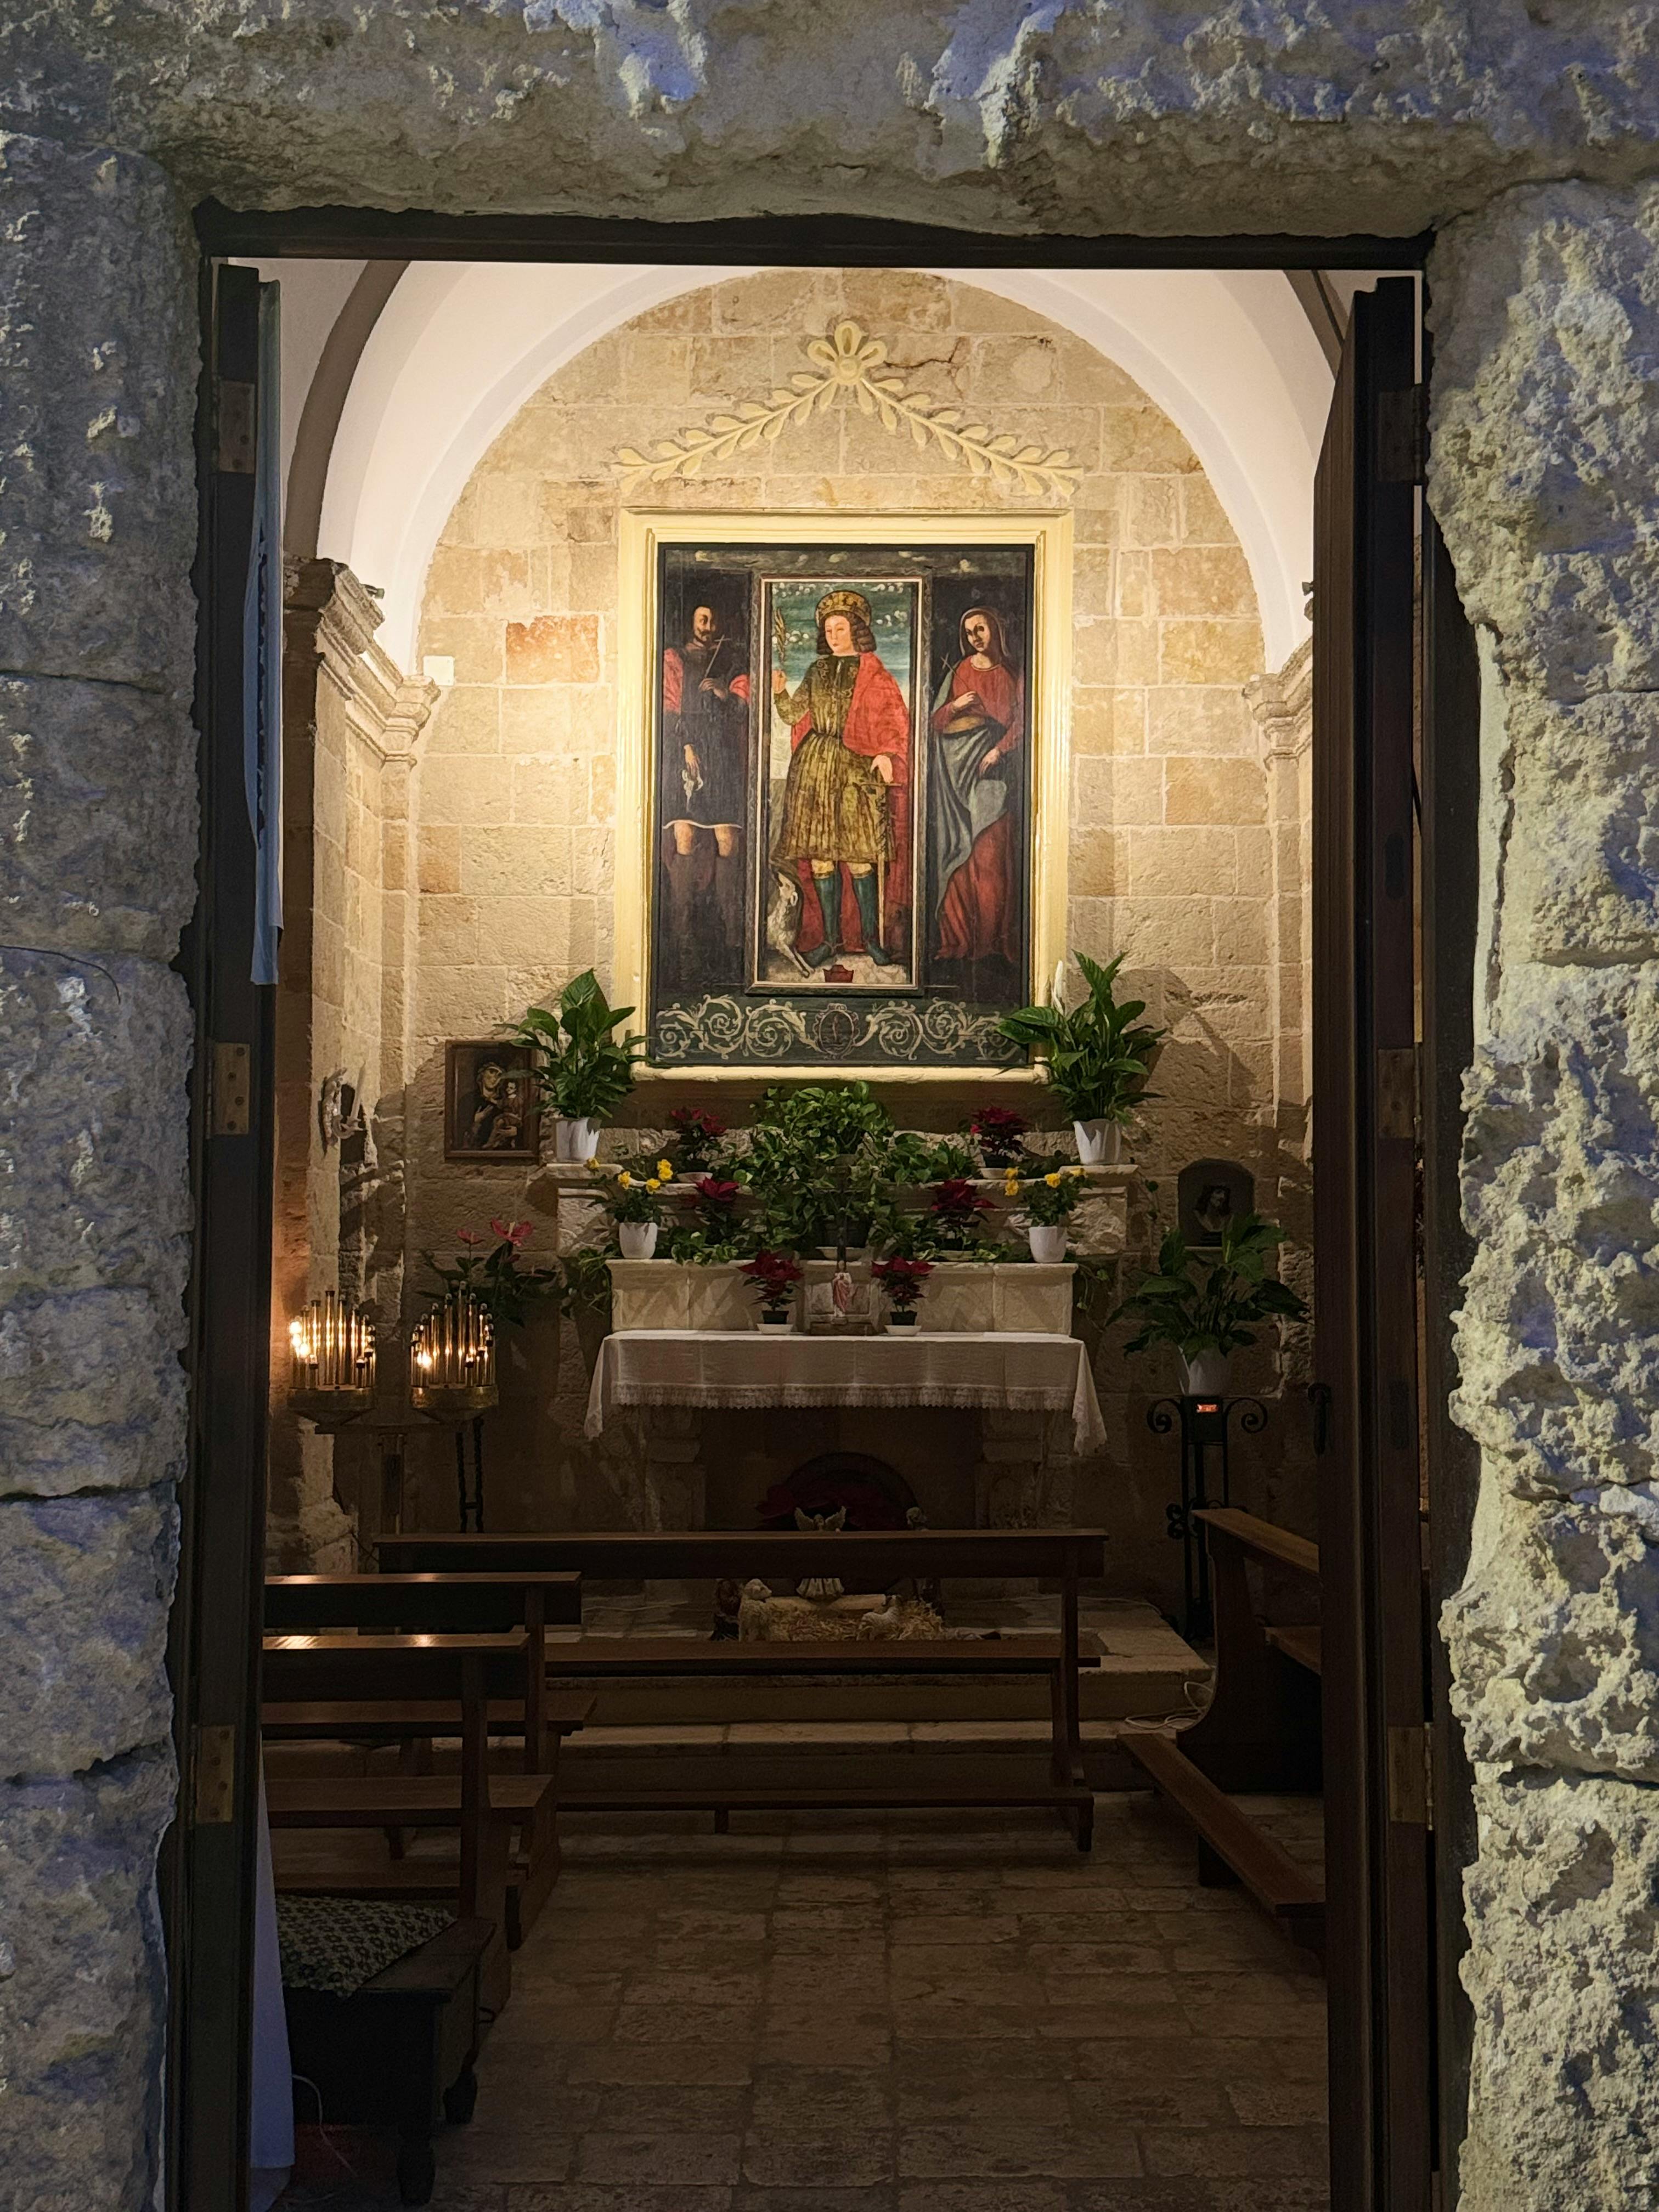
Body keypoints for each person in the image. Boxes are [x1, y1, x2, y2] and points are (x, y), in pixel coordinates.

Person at [771, 589, 911, 970]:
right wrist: (780, 693)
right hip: (815, 767)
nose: (833, 636)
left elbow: (894, 719)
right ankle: (829, 941)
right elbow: (793, 713)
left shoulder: (874, 673)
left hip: (854, 768)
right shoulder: (816, 671)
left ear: (856, 631)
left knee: (859, 857)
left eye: (841, 629)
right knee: (822, 858)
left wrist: (886, 753)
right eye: (829, 630)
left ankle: (871, 941)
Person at [927, 604, 1025, 981]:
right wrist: (955, 705)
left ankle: (992, 942)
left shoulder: (1013, 672)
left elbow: (1023, 721)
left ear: (995, 629)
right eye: (969, 633)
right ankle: (962, 940)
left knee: (990, 854)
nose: (975, 638)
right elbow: (936, 723)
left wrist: (999, 749)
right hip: (958, 775)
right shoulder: (963, 670)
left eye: (981, 629)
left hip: (992, 773)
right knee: (963, 858)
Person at [661, 601, 751, 990]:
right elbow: (668, 709)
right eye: (702, 619)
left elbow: (744, 708)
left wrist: (724, 693)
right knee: (685, 836)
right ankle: (684, 941)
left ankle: (731, 941)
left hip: (723, 756)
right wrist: (685, 746)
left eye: (713, 620)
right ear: (692, 623)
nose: (708, 625)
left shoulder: (732, 660)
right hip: (688, 753)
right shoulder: (674, 659)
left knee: (727, 840)